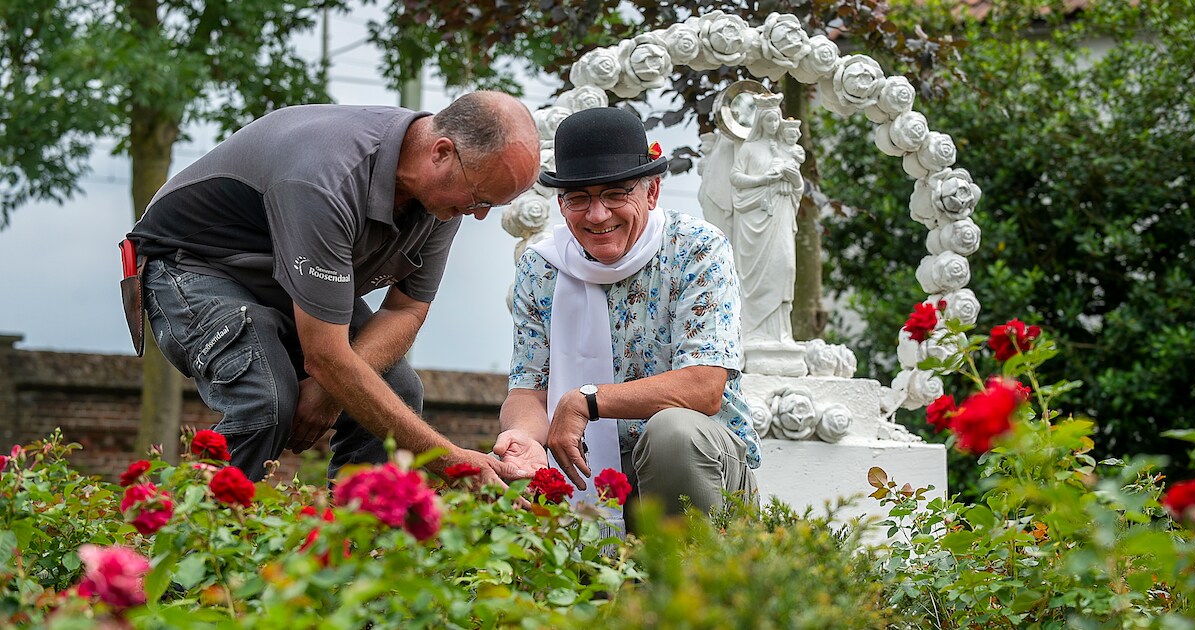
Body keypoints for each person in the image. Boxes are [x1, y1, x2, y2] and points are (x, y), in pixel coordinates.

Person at [126, 92, 539, 484]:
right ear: (442, 152)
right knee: (264, 397)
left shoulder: (441, 201)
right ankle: (202, 540)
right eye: (478, 197)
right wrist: (450, 460)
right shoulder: (326, 178)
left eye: (492, 204)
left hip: (280, 277)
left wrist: (330, 390)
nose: (479, 214)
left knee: (398, 389)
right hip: (193, 265)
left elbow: (405, 310)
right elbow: (326, 356)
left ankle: (359, 547)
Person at [494, 107, 761, 523]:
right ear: (561, 204)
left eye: (616, 194)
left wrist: (587, 401)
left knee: (672, 432)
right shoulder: (542, 267)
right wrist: (523, 437)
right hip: (589, 475)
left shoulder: (696, 248)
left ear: (651, 193)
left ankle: (695, 579)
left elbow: (704, 386)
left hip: (700, 474)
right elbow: (529, 389)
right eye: (579, 198)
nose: (597, 215)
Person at [729, 93, 801, 346]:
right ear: (760, 121)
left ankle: (781, 333)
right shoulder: (749, 149)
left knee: (786, 267)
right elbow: (736, 178)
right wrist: (764, 180)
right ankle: (754, 332)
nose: (773, 126)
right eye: (768, 121)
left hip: (781, 213)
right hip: (754, 217)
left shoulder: (786, 149)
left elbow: (797, 188)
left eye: (775, 121)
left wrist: (793, 178)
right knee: (755, 275)